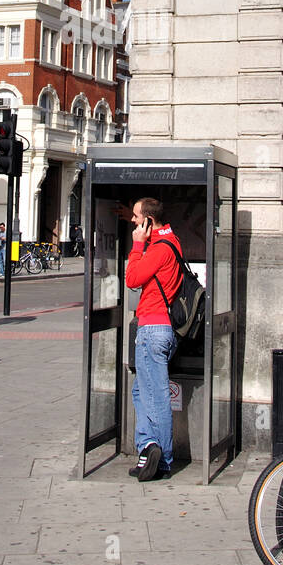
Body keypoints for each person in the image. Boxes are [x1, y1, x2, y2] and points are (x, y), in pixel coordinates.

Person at [125, 197, 183, 482]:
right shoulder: (171, 241)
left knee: (157, 396)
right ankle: (148, 448)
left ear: (148, 220)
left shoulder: (159, 249)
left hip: (152, 329)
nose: (133, 221)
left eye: (137, 217)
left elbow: (133, 278)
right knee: (139, 392)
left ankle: (163, 460)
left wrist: (137, 245)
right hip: (162, 329)